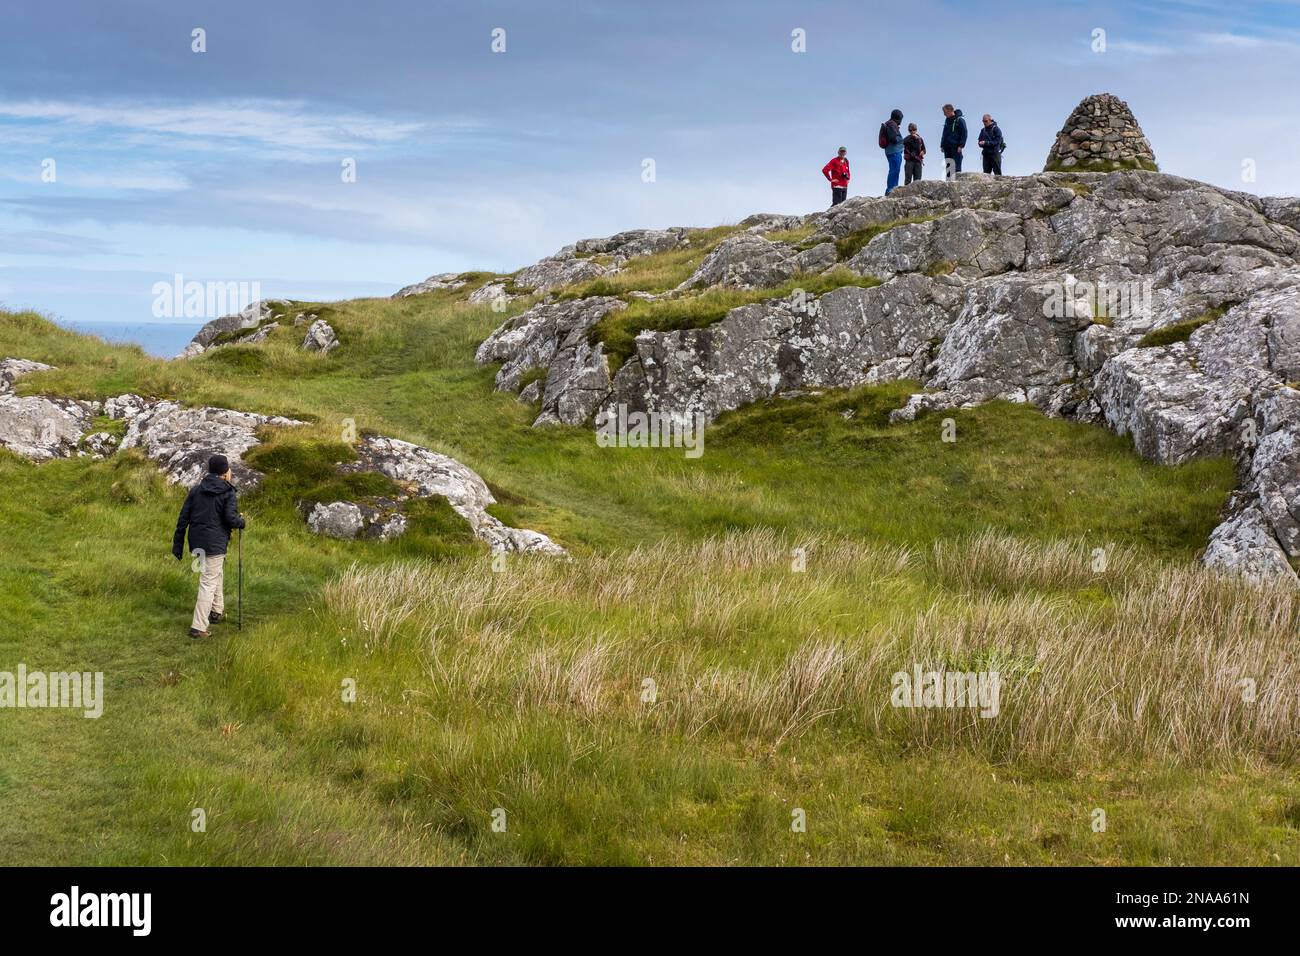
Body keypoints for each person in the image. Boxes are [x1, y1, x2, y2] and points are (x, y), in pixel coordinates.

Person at [173, 454, 246, 639]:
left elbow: (183, 518)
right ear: (225, 471)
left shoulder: (196, 490)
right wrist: (241, 522)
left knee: (213, 574)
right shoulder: (228, 492)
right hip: (215, 544)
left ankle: (216, 611)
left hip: (196, 543)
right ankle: (198, 627)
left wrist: (178, 545)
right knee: (208, 581)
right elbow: (230, 518)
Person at [939, 104, 968, 180]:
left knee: (956, 167)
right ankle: (949, 183)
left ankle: (957, 183)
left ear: (949, 111)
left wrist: (961, 145)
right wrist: (942, 144)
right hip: (947, 147)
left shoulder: (960, 120)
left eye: (945, 112)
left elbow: (964, 133)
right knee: (949, 166)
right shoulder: (947, 120)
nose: (944, 114)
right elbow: (944, 133)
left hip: (956, 147)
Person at [881, 109, 904, 194]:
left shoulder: (890, 124)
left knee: (894, 170)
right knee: (894, 170)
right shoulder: (892, 124)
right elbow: (894, 138)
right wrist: (902, 140)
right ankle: (891, 189)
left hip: (891, 151)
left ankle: (893, 188)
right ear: (898, 117)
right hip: (894, 151)